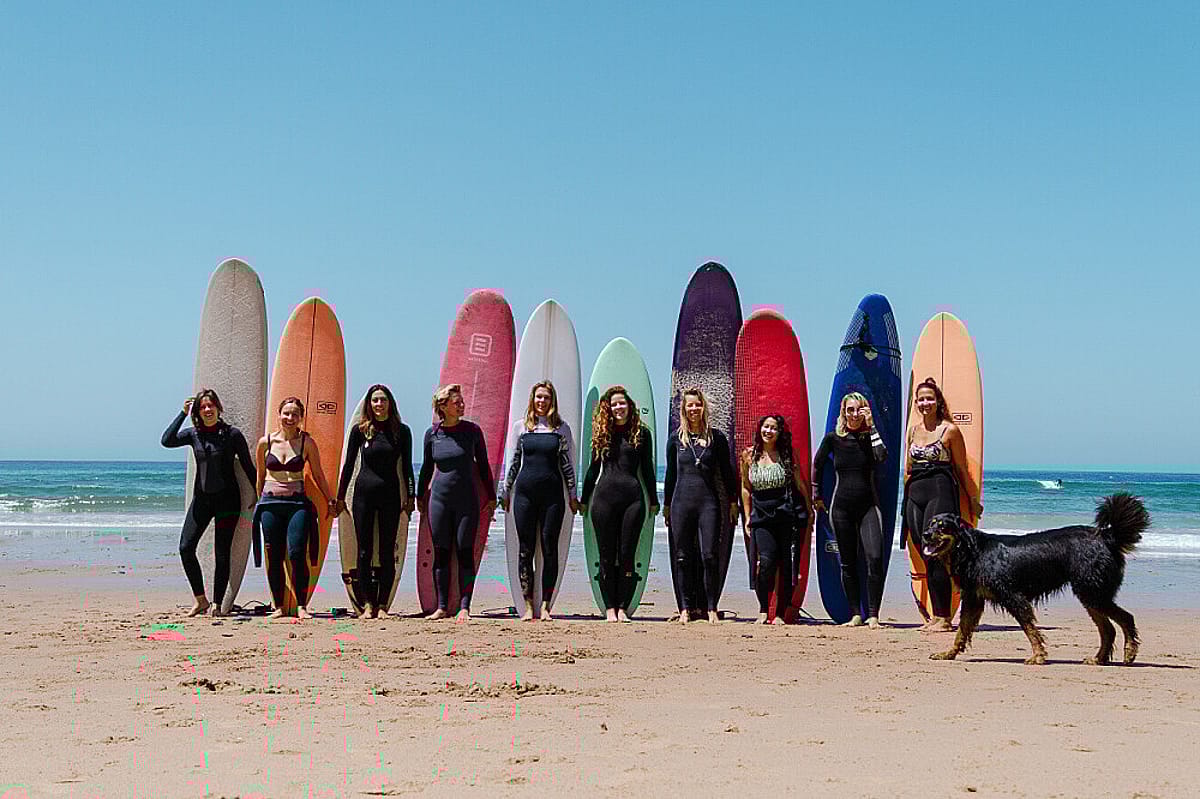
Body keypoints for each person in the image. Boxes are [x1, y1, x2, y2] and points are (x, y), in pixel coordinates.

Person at [161, 389, 257, 617]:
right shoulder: (194, 434)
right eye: (203, 407)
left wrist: (258, 493)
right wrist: (182, 413)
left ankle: (216, 604)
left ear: (218, 408)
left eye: (211, 405)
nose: (207, 410)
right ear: (198, 411)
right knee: (185, 548)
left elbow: (247, 466)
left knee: (222, 552)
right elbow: (166, 440)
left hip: (228, 501)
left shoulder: (232, 435)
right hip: (202, 501)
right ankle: (200, 599)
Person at [902, 377, 983, 633]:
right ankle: (936, 618)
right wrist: (904, 499)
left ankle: (943, 618)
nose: (925, 403)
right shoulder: (913, 430)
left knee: (937, 551)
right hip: (915, 492)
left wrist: (972, 500)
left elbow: (961, 468)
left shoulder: (949, 431)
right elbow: (907, 468)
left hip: (940, 490)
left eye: (930, 398)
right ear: (916, 403)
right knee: (922, 550)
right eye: (921, 399)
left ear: (938, 402)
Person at [498, 380, 579, 622]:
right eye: (538, 397)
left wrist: (573, 495)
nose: (541, 401)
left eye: (546, 397)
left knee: (549, 549)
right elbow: (513, 462)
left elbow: (567, 465)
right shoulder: (521, 427)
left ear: (552, 401)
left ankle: (545, 606)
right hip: (524, 495)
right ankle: (528, 606)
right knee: (526, 550)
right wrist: (505, 491)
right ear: (532, 400)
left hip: (553, 496)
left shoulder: (561, 429)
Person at [416, 384, 497, 622]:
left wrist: (491, 497)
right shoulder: (432, 434)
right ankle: (441, 607)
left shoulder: (472, 431)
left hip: (466, 501)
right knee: (441, 553)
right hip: (439, 500)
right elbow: (426, 469)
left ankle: (464, 607)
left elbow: (483, 466)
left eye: (461, 401)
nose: (461, 405)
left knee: (464, 552)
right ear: (443, 406)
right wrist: (419, 498)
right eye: (456, 402)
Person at [334, 384, 415, 620]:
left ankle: (382, 606)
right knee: (364, 551)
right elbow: (348, 466)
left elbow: (407, 468)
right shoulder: (360, 431)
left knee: (387, 551)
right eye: (375, 400)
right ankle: (367, 605)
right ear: (369, 405)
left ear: (390, 403)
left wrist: (411, 497)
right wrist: (340, 498)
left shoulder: (402, 431)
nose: (379, 404)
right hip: (363, 497)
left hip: (390, 496)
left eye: (383, 400)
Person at [580, 386, 659, 622]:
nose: (618, 408)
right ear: (608, 408)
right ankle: (610, 608)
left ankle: (623, 607)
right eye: (614, 404)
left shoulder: (642, 434)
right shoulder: (602, 433)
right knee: (606, 556)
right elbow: (593, 470)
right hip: (603, 500)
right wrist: (583, 500)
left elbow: (647, 471)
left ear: (629, 405)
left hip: (633, 501)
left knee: (627, 555)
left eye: (622, 403)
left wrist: (654, 501)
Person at [254, 397, 336, 620]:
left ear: (301, 418)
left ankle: (301, 606)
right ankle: (279, 606)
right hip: (270, 504)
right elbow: (260, 476)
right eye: (286, 413)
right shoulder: (265, 443)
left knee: (297, 552)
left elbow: (318, 474)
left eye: (295, 414)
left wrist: (330, 499)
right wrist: (257, 502)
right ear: (279, 414)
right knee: (274, 554)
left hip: (297, 504)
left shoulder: (306, 443)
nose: (290, 418)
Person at [812, 392, 888, 629]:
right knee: (848, 562)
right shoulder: (833, 439)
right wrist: (816, 495)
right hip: (841, 507)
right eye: (850, 410)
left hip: (869, 507)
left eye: (859, 410)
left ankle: (874, 615)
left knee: (874, 559)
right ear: (843, 413)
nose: (854, 415)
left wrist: (873, 426)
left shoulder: (870, 438)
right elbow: (818, 464)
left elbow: (881, 456)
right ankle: (856, 613)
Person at [663, 387, 737, 624]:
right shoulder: (676, 439)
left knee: (709, 556)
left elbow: (727, 474)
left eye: (697, 404)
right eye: (689, 405)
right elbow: (671, 476)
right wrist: (666, 506)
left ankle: (711, 608)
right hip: (681, 503)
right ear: (683, 409)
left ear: (704, 407)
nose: (694, 409)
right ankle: (685, 608)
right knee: (683, 556)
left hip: (708, 504)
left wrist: (733, 502)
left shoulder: (717, 438)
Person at [740, 414, 812, 625]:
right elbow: (745, 487)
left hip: (786, 514)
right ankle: (764, 609)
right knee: (766, 563)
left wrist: (809, 509)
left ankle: (780, 613)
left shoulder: (787, 455)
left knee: (788, 566)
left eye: (773, 428)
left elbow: (799, 483)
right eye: (765, 427)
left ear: (779, 433)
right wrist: (747, 516)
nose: (768, 431)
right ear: (759, 429)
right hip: (761, 515)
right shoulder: (749, 455)